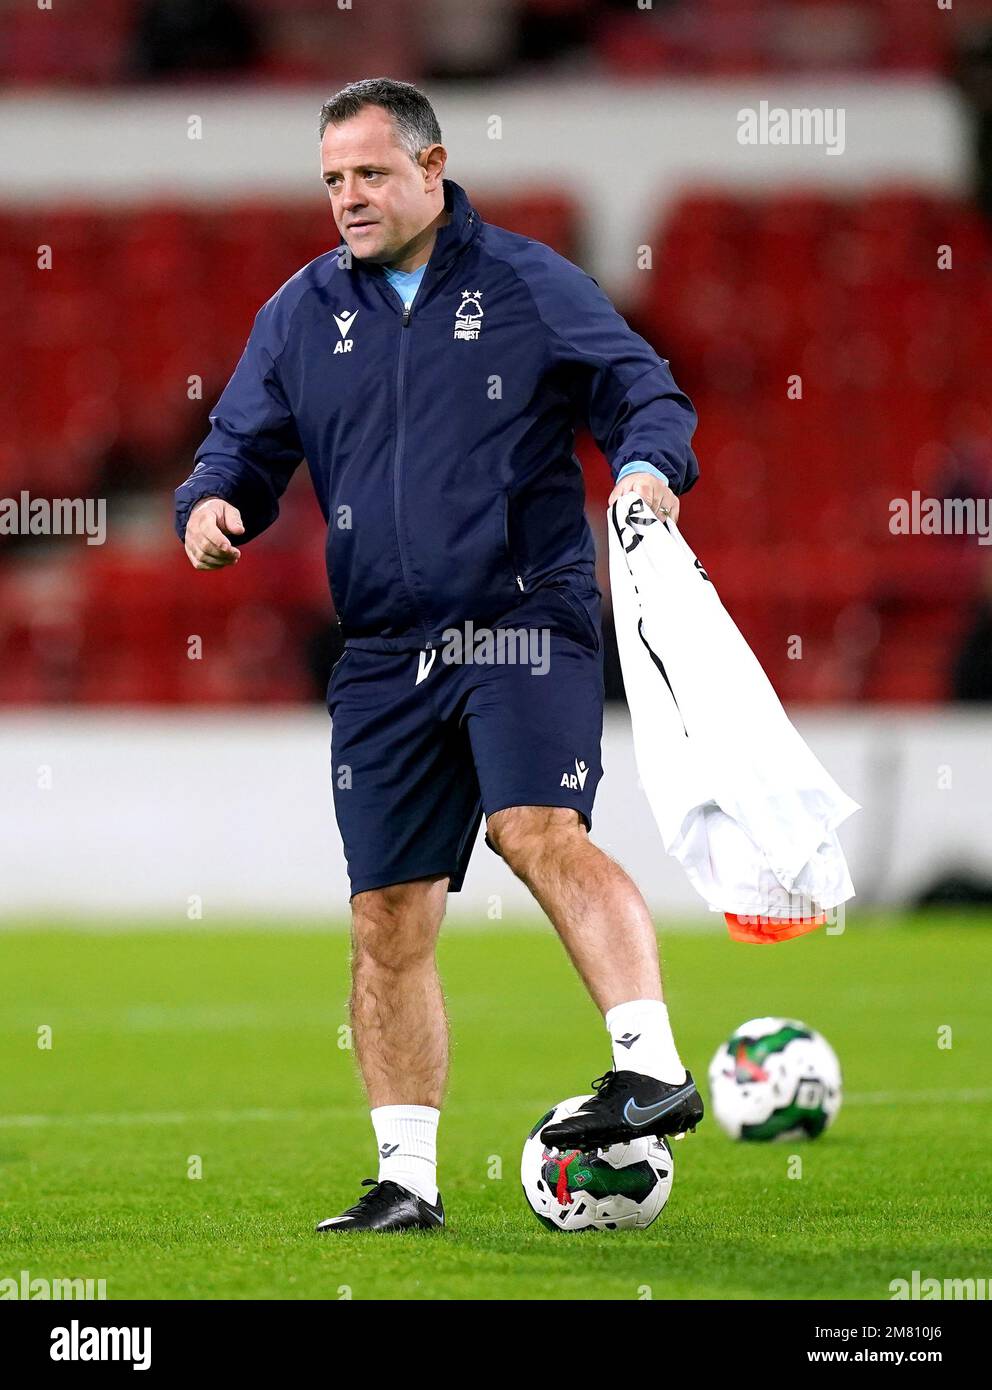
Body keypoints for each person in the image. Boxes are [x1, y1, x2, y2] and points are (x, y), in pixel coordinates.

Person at [175, 77, 704, 1233]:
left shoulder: (526, 282)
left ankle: (649, 1064)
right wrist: (212, 504)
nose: (347, 197)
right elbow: (240, 447)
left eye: (369, 173)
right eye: (332, 179)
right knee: (386, 916)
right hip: (380, 650)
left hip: (520, 619)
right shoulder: (300, 311)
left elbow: (640, 390)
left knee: (534, 828)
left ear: (430, 166)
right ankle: (406, 1181)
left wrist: (646, 466)